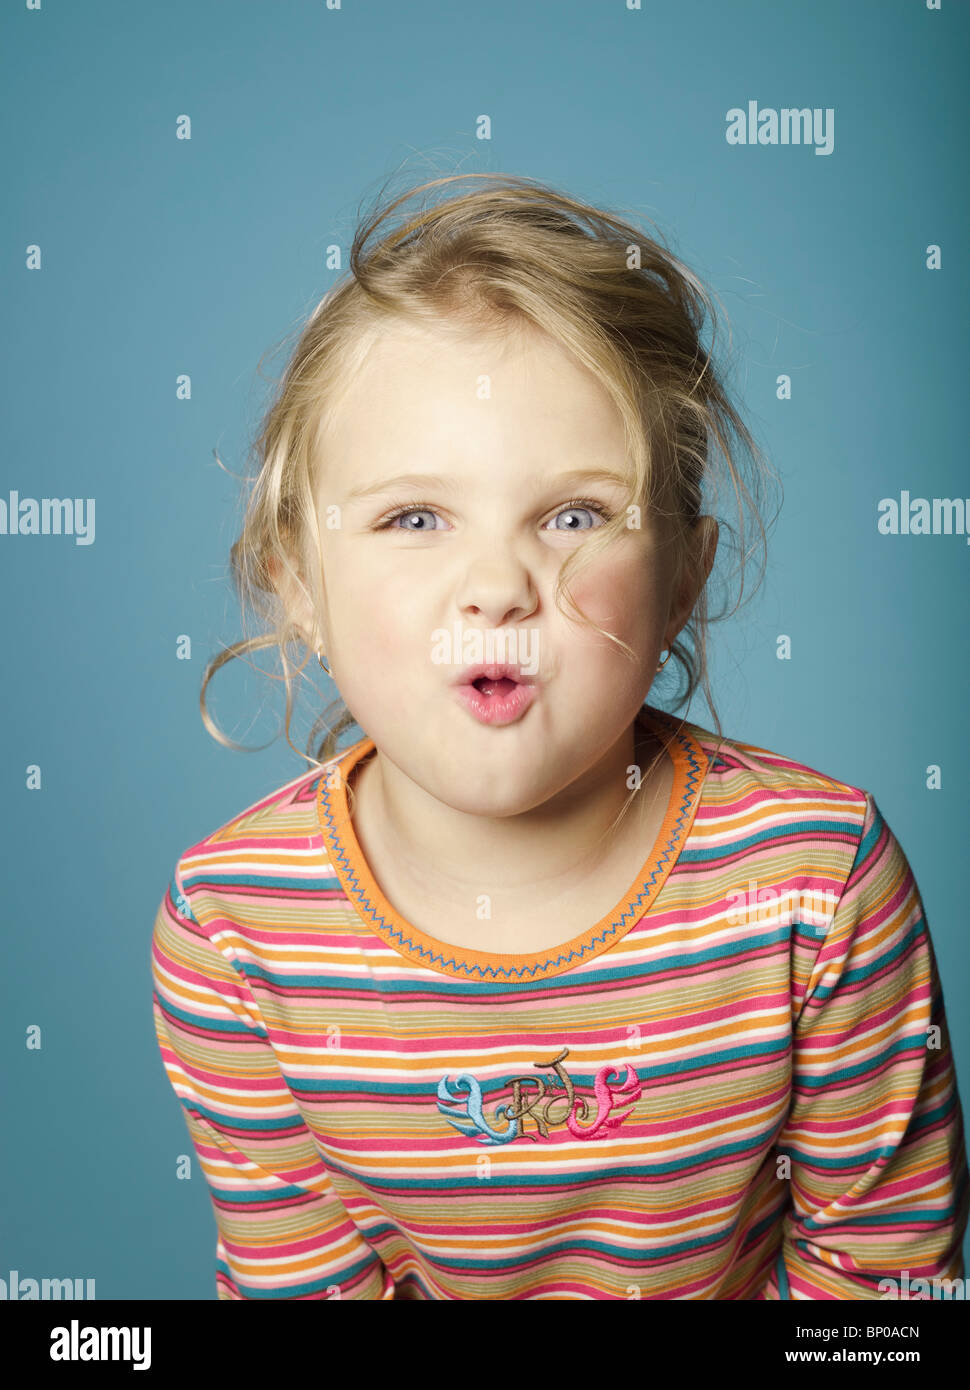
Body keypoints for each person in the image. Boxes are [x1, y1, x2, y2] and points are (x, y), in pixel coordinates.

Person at [150, 172, 969, 1300]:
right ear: (296, 580)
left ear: (681, 576)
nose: (495, 586)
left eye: (575, 515)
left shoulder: (816, 885)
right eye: (414, 517)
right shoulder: (234, 927)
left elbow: (883, 1288)